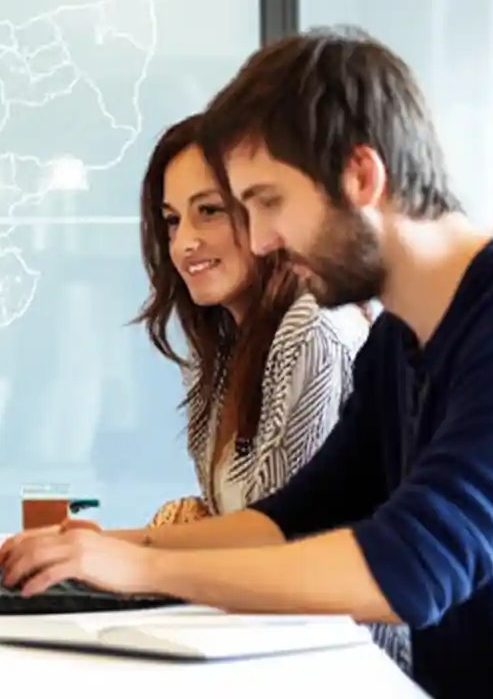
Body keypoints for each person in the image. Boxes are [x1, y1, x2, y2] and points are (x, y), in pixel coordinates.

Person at [0, 26, 493, 697]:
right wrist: (104, 550)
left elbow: (413, 571)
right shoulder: (399, 338)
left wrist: (142, 571)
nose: (263, 239)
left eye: (269, 202)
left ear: (361, 176)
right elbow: (289, 519)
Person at [132, 114, 407, 668]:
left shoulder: (311, 327)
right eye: (172, 221)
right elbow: (245, 520)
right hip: (263, 636)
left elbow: (289, 539)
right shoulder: (225, 346)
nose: (184, 243)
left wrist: (132, 556)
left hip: (339, 653)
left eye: (210, 211)